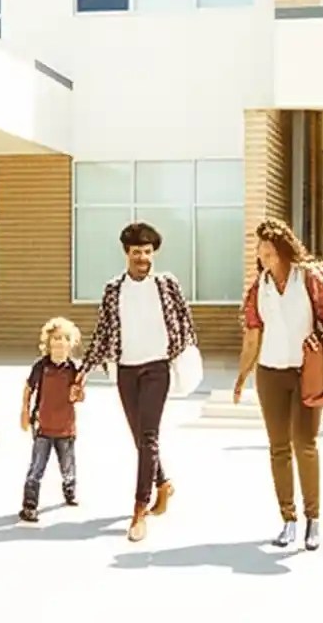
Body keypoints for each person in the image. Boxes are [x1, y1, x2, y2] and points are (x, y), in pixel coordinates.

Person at [233, 218, 323, 551]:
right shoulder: (260, 287)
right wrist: (242, 376)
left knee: (305, 443)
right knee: (278, 447)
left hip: (306, 372)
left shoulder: (310, 279)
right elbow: (253, 336)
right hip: (271, 373)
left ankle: (314, 518)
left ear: (284, 252)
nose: (265, 260)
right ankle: (288, 519)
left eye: (270, 254)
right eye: (261, 255)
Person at [80, 221, 198, 543]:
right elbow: (102, 333)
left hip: (156, 369)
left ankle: (139, 509)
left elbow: (186, 322)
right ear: (126, 253)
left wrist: (181, 354)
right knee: (139, 438)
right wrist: (83, 373)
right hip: (126, 370)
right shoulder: (113, 289)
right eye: (137, 253)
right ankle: (163, 483)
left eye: (147, 252)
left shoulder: (167, 284)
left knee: (148, 437)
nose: (143, 258)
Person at [18, 317, 85, 522]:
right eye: (56, 338)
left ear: (70, 343)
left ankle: (69, 488)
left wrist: (78, 392)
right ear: (48, 342)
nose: (60, 342)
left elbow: (79, 396)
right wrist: (24, 411)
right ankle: (29, 504)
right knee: (37, 466)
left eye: (64, 338)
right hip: (43, 426)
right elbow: (29, 388)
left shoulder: (73, 368)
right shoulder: (41, 366)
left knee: (67, 464)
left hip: (65, 427)